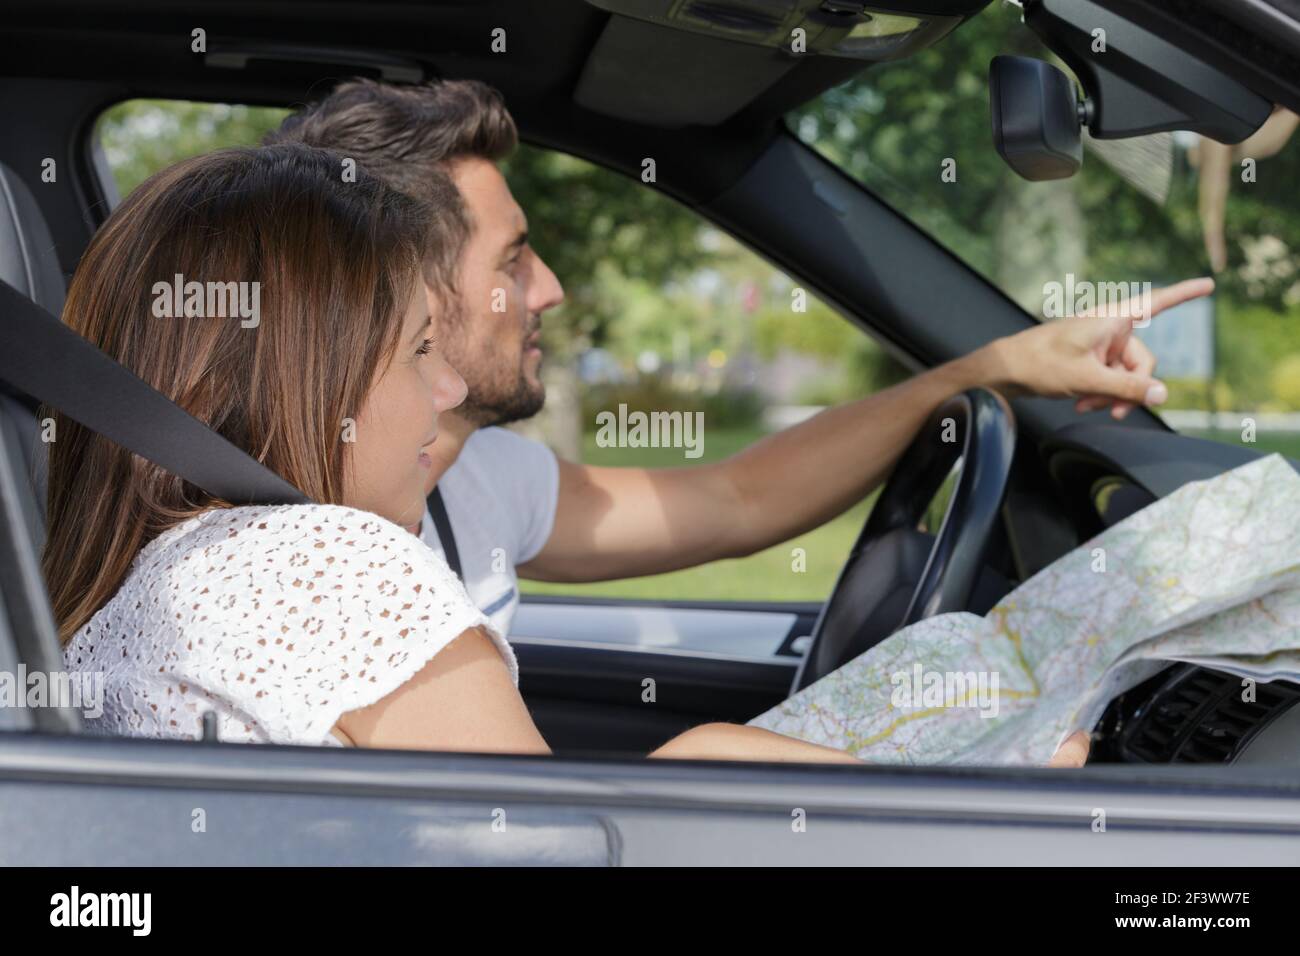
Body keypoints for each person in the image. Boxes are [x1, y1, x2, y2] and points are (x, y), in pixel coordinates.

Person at [48, 144, 1087, 766]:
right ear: (295, 369)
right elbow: (555, 848)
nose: (446, 388)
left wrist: (978, 371)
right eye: (416, 347)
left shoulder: (157, 579)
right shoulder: (322, 563)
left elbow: (734, 496)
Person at [266, 78, 1216, 642]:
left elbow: (740, 499)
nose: (549, 288)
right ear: (407, 296)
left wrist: (987, 368)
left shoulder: (475, 477)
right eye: (513, 259)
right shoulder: (299, 562)